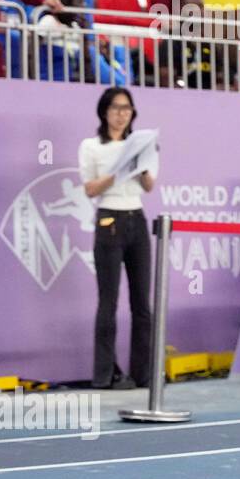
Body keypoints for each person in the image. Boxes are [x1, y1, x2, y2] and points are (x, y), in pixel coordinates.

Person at [79, 88, 156, 389]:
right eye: (115, 108)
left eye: (127, 108)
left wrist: (139, 166)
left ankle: (144, 372)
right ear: (104, 112)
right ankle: (105, 373)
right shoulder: (91, 146)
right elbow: (90, 189)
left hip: (136, 217)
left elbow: (149, 185)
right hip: (109, 217)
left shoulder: (142, 145)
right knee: (108, 301)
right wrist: (117, 171)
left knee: (142, 303)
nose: (121, 113)